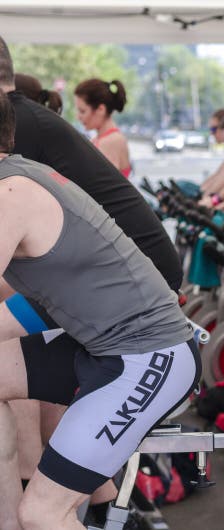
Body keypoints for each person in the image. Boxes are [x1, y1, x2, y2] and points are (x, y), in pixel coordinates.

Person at [0, 35, 185, 526]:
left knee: (43, 512)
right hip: (100, 345)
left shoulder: (11, 192)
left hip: (148, 355)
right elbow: (51, 295)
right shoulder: (19, 174)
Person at [73, 78, 131, 177]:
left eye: (82, 111)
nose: (78, 117)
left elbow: (104, 186)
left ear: (100, 109)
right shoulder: (102, 139)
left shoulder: (111, 141)